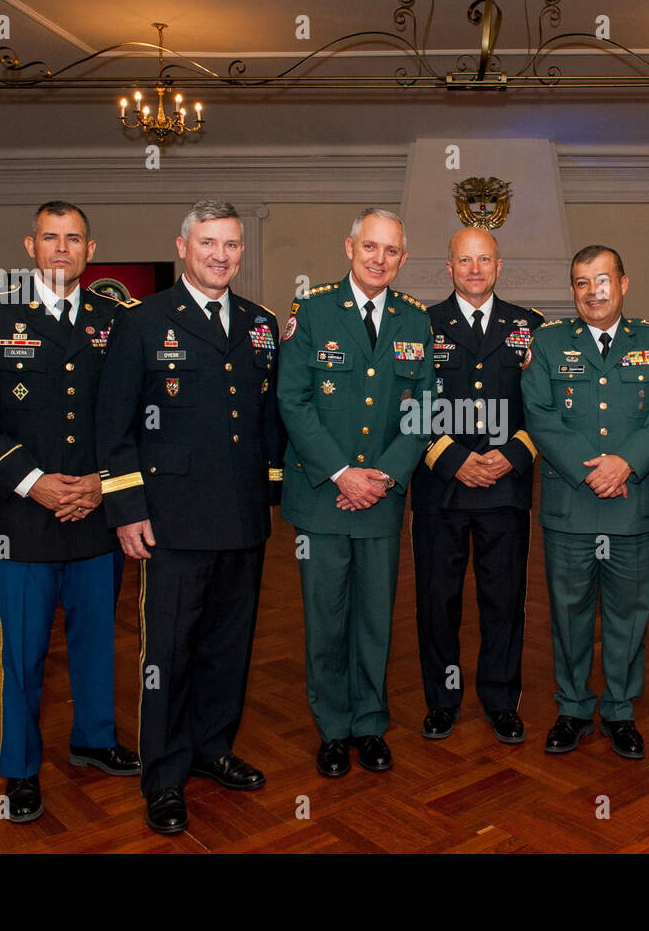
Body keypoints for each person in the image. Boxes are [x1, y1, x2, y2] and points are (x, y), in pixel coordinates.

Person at [0, 200, 140, 824]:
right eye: (51, 238)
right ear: (30, 246)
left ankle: (94, 738)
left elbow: (132, 416)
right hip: (21, 521)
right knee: (22, 654)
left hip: (95, 511)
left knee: (95, 640)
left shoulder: (118, 321)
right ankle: (21, 769)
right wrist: (34, 483)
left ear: (90, 249)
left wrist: (100, 485)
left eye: (74, 239)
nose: (62, 249)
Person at [96, 199, 283, 835]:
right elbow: (113, 426)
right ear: (183, 247)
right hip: (168, 522)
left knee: (229, 647)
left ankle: (213, 749)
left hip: (240, 517)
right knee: (167, 653)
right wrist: (126, 508)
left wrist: (270, 494)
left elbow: (267, 422)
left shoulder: (259, 324)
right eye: (208, 243)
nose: (221, 255)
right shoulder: (143, 322)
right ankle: (164, 775)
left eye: (231, 244)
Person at [277, 207, 434, 778]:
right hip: (323, 496)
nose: (379, 259)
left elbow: (421, 412)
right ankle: (332, 729)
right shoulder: (311, 312)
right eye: (370, 247)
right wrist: (343, 473)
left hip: (383, 499)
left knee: (374, 617)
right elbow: (291, 401)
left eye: (391, 251)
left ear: (403, 258)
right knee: (326, 619)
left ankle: (369, 724)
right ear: (349, 247)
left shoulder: (416, 322)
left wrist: (385, 476)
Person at [521, 245, 649, 759]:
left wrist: (626, 464)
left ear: (624, 283)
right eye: (581, 282)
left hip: (632, 502)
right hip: (571, 503)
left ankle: (619, 710)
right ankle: (571, 708)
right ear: (573, 290)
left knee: (628, 614)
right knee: (568, 614)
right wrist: (595, 472)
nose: (593, 291)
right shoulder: (547, 344)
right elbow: (540, 416)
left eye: (603, 280)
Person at [411, 227, 543, 745]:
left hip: (506, 488)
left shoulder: (530, 327)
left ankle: (500, 700)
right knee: (437, 599)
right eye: (463, 260)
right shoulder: (420, 325)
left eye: (483, 259)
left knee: (504, 598)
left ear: (499, 265)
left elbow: (544, 406)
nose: (473, 269)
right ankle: (442, 701)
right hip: (441, 488)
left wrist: (511, 456)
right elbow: (408, 401)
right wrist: (453, 459)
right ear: (448, 267)